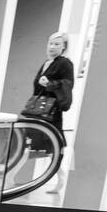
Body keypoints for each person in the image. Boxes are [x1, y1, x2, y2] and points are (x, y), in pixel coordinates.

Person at [28, 31, 74, 193]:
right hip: (40, 110)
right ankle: (60, 178)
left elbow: (67, 84)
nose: (52, 47)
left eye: (57, 44)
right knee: (45, 146)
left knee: (52, 146)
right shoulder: (48, 62)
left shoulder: (64, 63)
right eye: (50, 43)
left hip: (51, 112)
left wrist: (50, 84)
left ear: (64, 47)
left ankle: (61, 179)